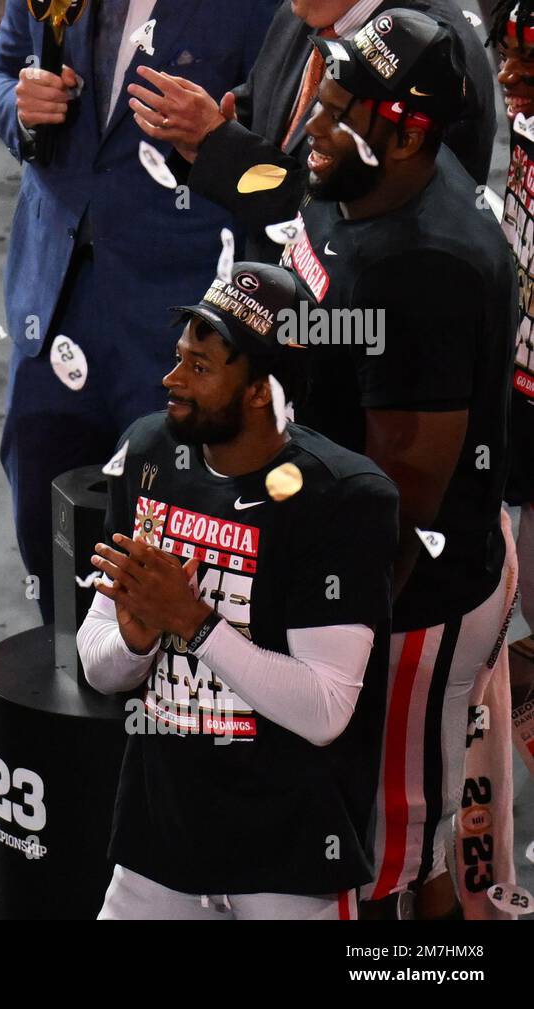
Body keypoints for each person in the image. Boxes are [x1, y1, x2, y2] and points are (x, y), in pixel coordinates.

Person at [284, 10, 518, 918]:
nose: (313, 123)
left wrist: (325, 620)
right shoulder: (357, 183)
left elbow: (406, 500)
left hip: (410, 602)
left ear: (408, 133)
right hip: (352, 553)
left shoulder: (425, 265)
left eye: (338, 112)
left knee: (384, 850)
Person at [78, 262, 399, 919]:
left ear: (260, 391)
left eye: (199, 367)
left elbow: (325, 708)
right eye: (179, 356)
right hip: (159, 839)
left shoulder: (342, 498)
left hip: (285, 857)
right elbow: (97, 663)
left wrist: (194, 624)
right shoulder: (150, 454)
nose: (171, 379)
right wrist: (135, 640)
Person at [0, 0, 280, 623]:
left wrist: (215, 140)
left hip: (176, 323)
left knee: (170, 544)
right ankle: (65, 670)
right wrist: (20, 106)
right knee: (44, 523)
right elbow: (2, 74)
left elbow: (282, 160)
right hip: (55, 303)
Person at [126, 0, 495, 262]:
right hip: (281, 310)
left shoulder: (429, 50)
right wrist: (201, 139)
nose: (318, 123)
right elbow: (257, 113)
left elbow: (350, 218)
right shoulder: (303, 12)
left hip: (364, 324)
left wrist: (220, 143)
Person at [492, 1, 534, 634]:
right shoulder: (520, 123)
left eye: (530, 61)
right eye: (507, 54)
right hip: (516, 378)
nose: (508, 74)